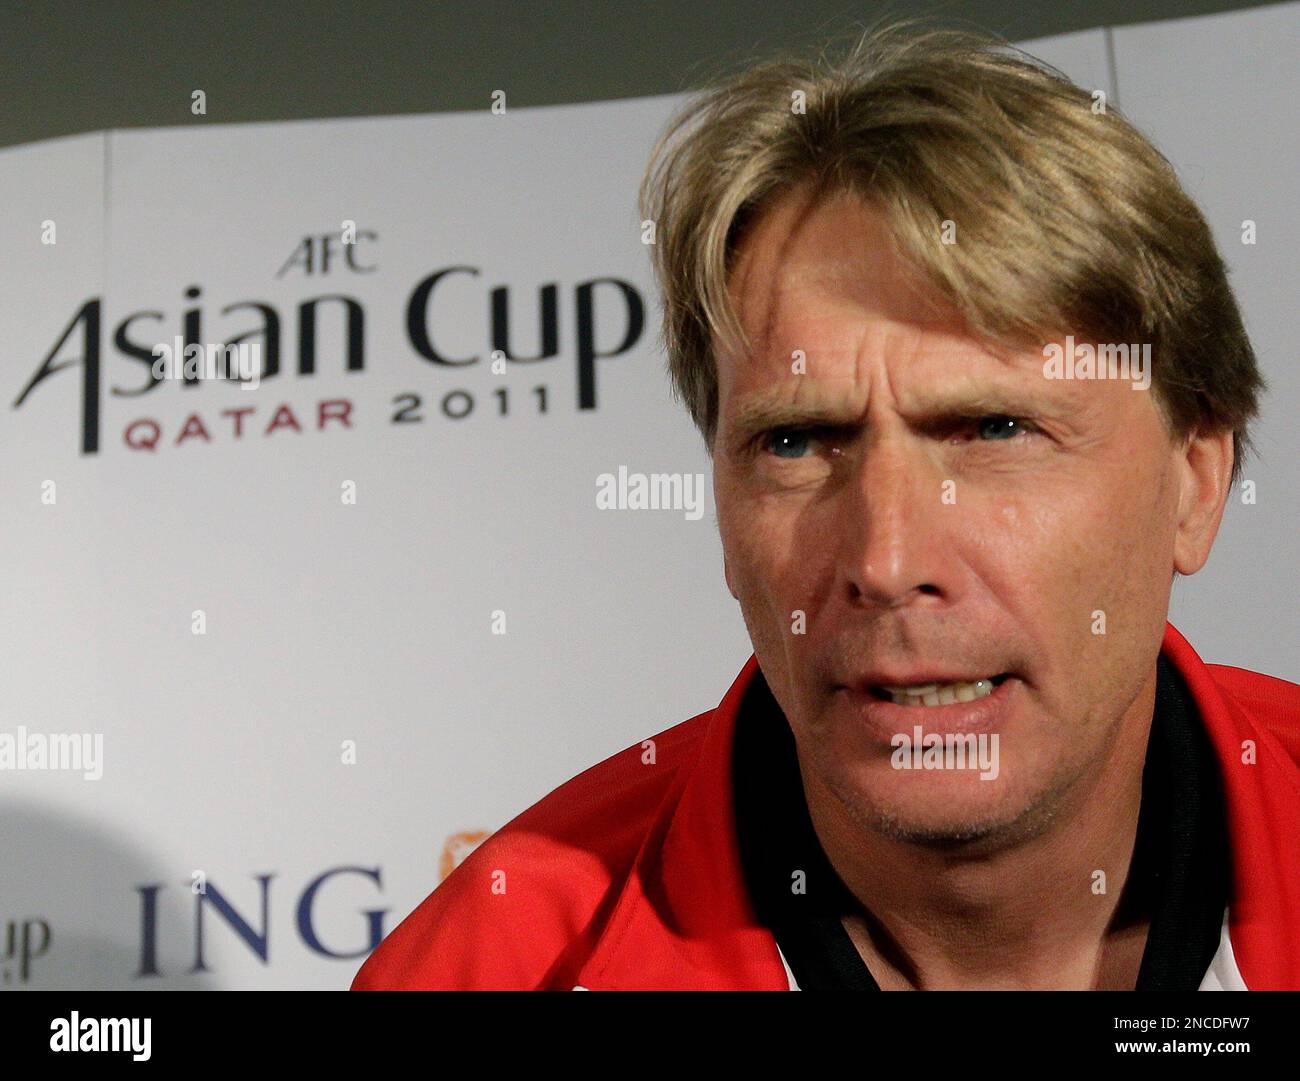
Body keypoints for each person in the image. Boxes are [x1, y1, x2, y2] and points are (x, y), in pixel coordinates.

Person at [352, 22, 1299, 991]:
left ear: (1196, 476)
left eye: (995, 429)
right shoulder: (490, 967)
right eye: (796, 443)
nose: (886, 560)